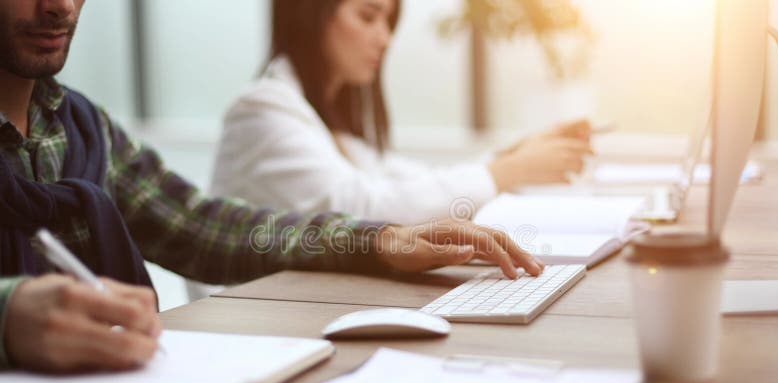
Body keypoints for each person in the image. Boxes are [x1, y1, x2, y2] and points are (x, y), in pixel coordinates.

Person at [0, 0, 543, 373]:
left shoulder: (81, 127)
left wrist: (377, 241)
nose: (60, 5)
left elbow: (205, 225)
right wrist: (9, 313)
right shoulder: (268, 107)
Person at [210, 0, 594, 226]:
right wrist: (511, 170)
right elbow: (364, 211)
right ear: (312, 14)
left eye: (389, 22)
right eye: (367, 16)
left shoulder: (329, 123)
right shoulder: (261, 111)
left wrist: (513, 156)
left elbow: (412, 185)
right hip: (255, 325)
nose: (385, 38)